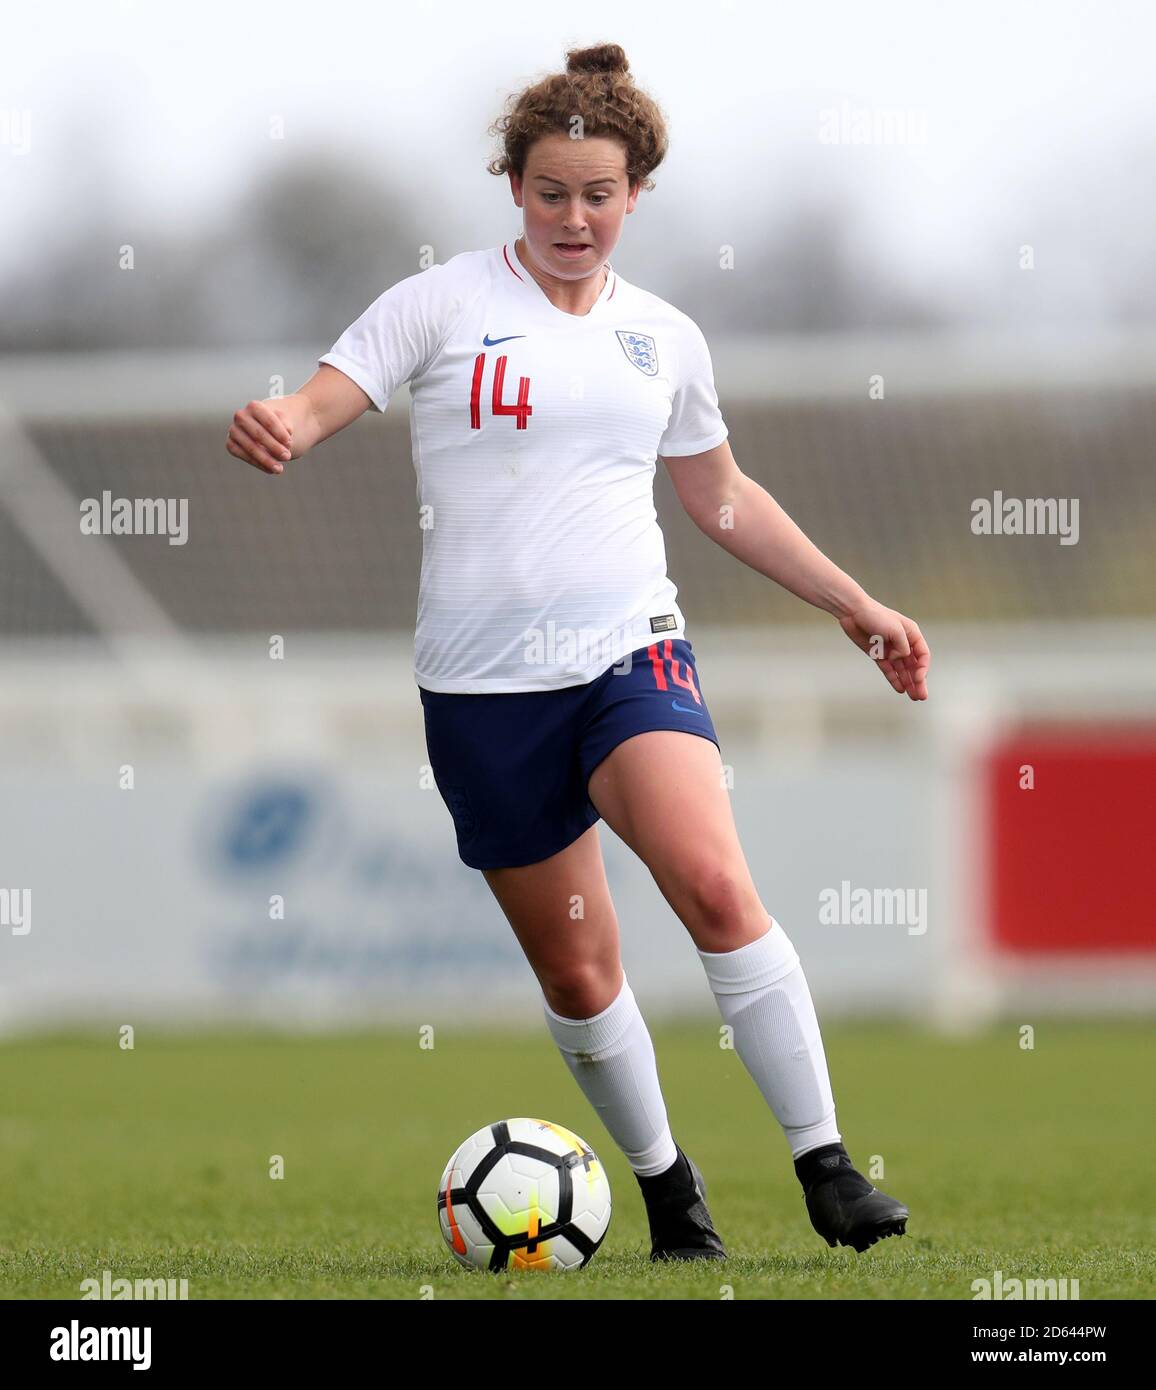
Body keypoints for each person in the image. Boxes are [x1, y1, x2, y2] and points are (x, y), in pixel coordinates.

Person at [226, 41, 929, 1261]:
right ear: (515, 188)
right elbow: (327, 395)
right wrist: (283, 419)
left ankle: (827, 1167)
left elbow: (719, 500)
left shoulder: (664, 338)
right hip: (482, 693)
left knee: (714, 885)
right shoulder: (440, 303)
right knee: (581, 969)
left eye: (598, 194)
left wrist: (852, 602)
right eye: (551, 191)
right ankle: (670, 1196)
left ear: (635, 195)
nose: (573, 217)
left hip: (628, 655)